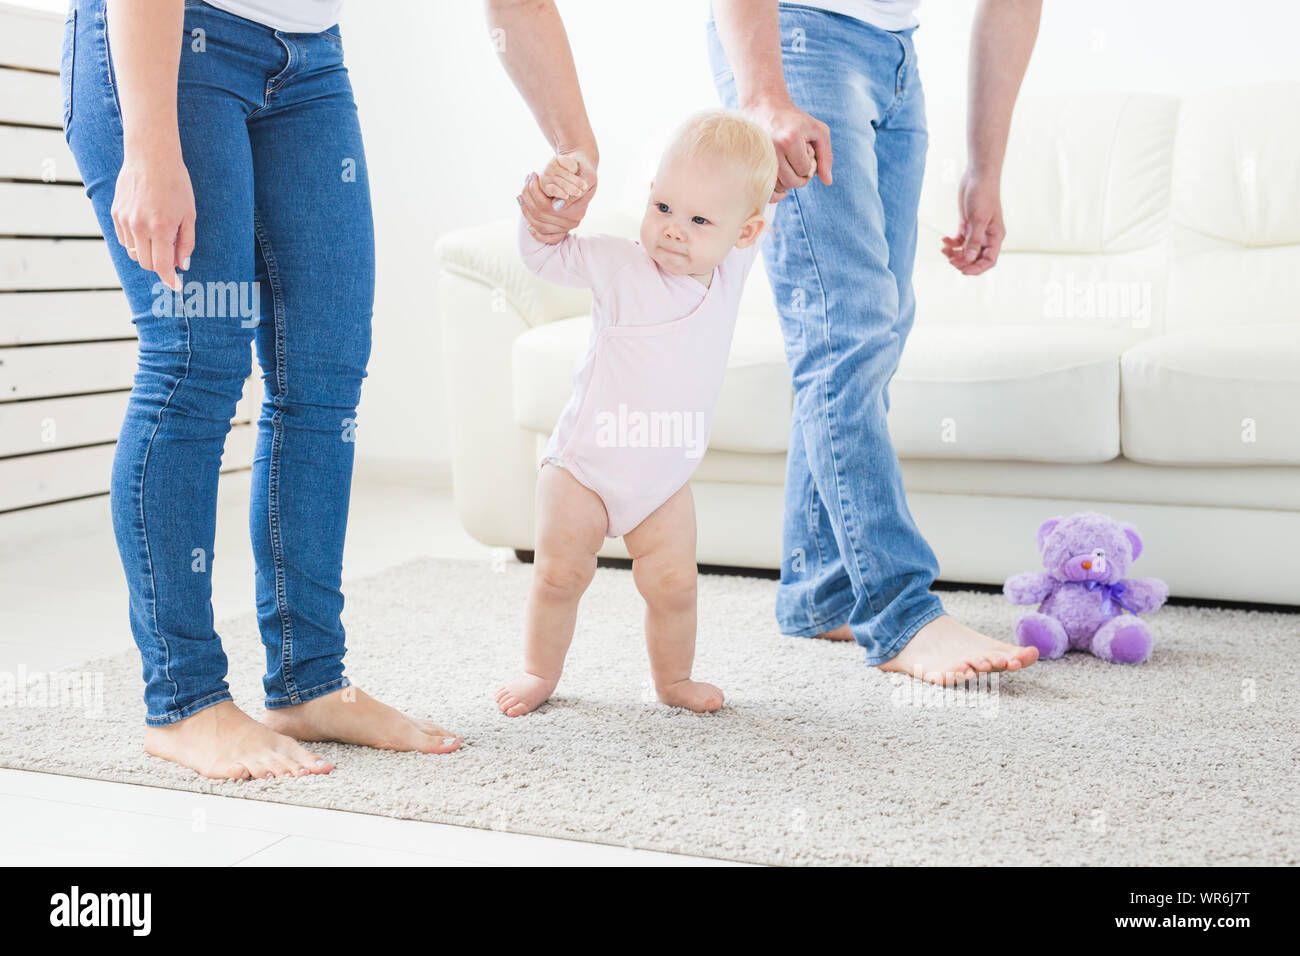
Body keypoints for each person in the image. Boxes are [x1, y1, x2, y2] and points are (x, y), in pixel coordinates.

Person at [60, 0, 461, 780]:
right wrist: (147, 142)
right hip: (169, 42)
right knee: (194, 362)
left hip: (311, 59)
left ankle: (310, 681)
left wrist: (571, 141)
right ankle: (184, 701)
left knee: (324, 376)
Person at [706, 0, 1044, 685]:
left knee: (877, 330)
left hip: (894, 57)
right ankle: (900, 611)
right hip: (796, 39)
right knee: (846, 328)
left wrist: (985, 167)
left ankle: (820, 591)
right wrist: (765, 94)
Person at [496, 111, 778, 717]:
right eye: (665, 209)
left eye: (701, 221)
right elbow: (545, 256)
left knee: (674, 586)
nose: (676, 230)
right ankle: (538, 670)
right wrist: (546, 204)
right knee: (559, 576)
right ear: (649, 197)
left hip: (663, 477)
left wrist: (779, 164)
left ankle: (673, 680)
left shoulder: (728, 276)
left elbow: (768, 188)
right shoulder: (619, 262)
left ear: (745, 233)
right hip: (584, 468)